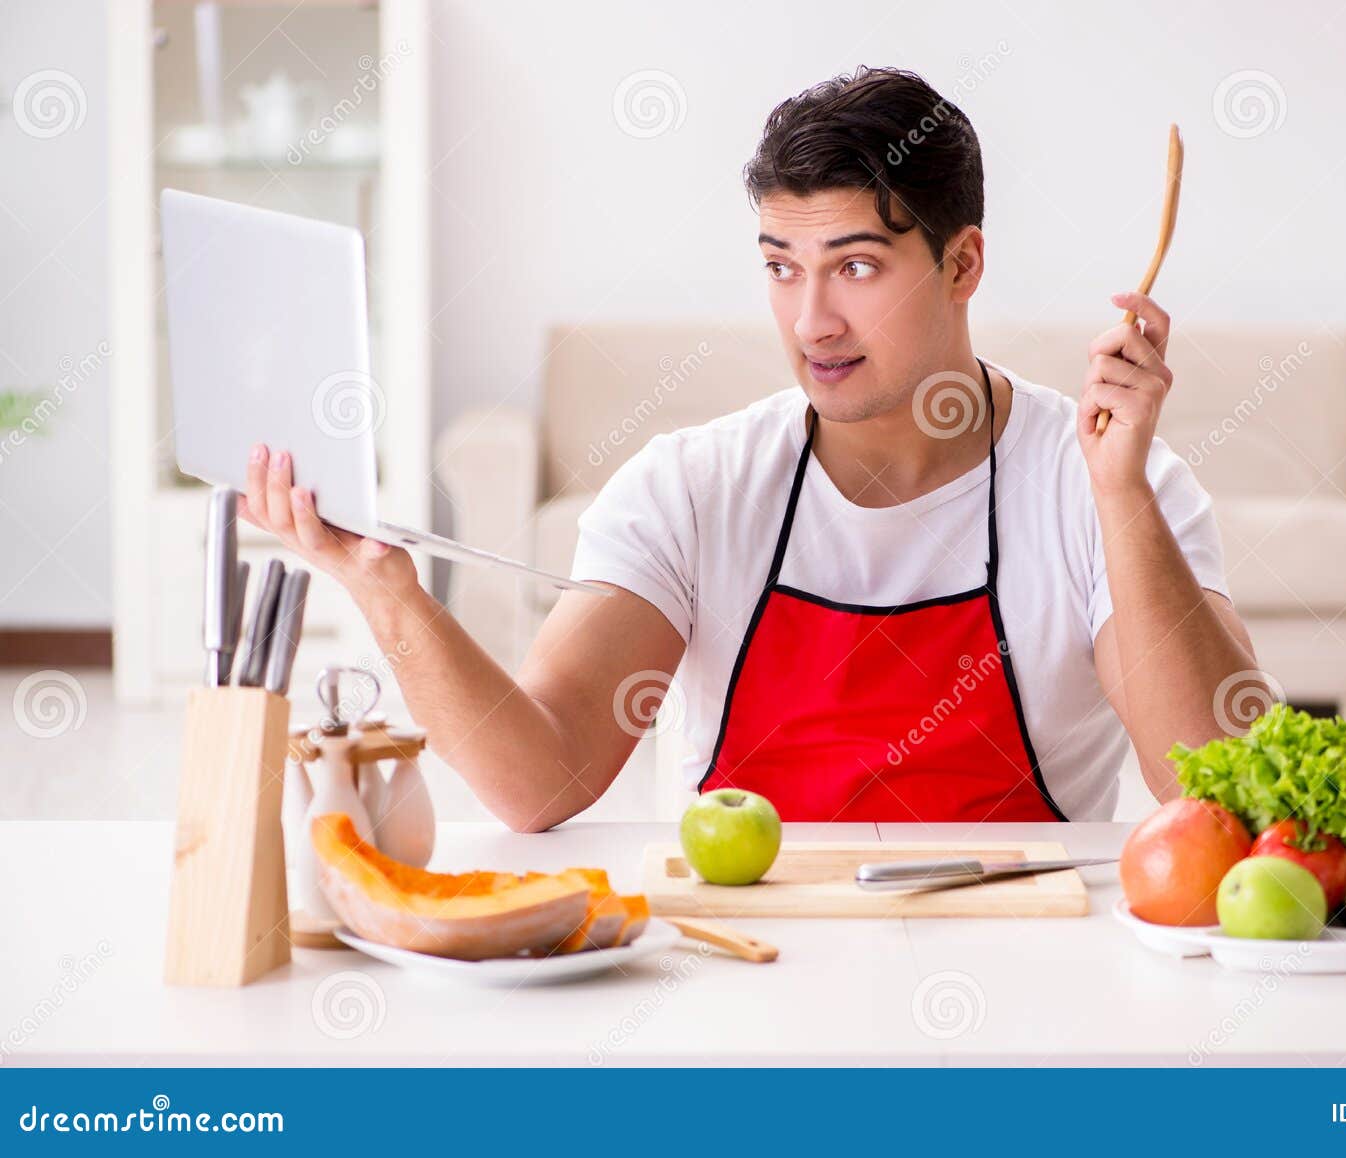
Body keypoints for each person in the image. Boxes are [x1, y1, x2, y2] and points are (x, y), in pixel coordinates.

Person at [242, 66, 1261, 829]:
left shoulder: (1101, 486)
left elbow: (1218, 791)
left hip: (1014, 965)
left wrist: (1120, 495)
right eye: (781, 267)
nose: (811, 320)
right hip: (739, 967)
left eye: (855, 267)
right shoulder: (690, 488)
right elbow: (537, 779)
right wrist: (384, 587)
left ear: (963, 264)